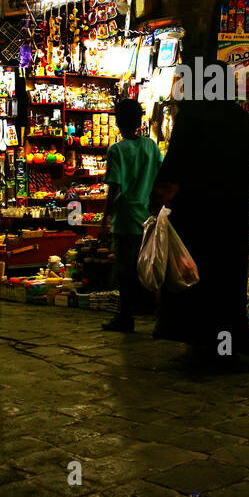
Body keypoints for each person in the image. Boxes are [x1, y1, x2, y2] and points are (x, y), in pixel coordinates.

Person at [150, 38, 249, 366]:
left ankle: (201, 342)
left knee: (196, 277)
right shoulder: (242, 120)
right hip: (232, 214)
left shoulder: (192, 117)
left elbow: (176, 164)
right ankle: (226, 345)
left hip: (197, 214)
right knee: (227, 282)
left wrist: (157, 198)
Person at [101, 97, 162, 332]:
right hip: (147, 216)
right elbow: (159, 179)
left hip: (125, 218)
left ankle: (126, 317)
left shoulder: (116, 150)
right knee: (150, 266)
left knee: (125, 270)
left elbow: (114, 189)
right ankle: (156, 314)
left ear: (118, 122)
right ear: (139, 121)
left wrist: (104, 219)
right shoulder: (151, 146)